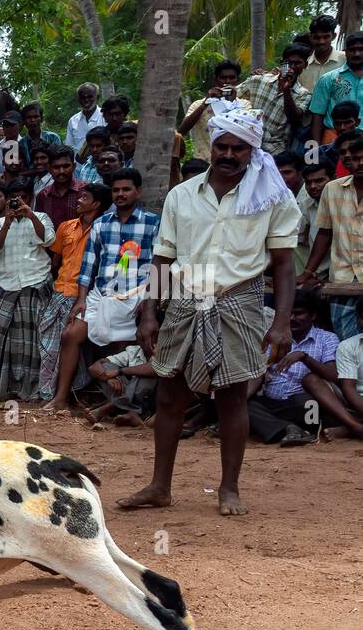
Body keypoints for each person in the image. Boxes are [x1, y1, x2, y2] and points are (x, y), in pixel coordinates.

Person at [119, 108, 300, 519]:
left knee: (233, 397)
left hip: (241, 300)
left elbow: (285, 265)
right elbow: (162, 258)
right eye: (222, 146)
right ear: (211, 146)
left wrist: (282, 320)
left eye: (239, 147)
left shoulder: (271, 197)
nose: (229, 154)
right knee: (169, 395)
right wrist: (149, 312)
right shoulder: (181, 195)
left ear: (252, 151)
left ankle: (229, 488)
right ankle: (159, 486)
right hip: (184, 298)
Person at [247, 290, 361, 443]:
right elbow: (259, 374)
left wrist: (305, 358)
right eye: (288, 314)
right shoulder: (273, 338)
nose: (292, 318)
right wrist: (243, 397)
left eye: (299, 313)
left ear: (313, 315)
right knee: (247, 406)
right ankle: (289, 428)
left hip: (304, 402)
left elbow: (334, 375)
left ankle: (291, 429)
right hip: (273, 402)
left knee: (308, 405)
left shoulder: (326, 338)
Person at [44, 182, 114, 412]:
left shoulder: (105, 229)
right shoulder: (66, 227)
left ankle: (70, 395)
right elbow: (56, 261)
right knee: (53, 345)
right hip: (62, 291)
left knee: (75, 342)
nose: (79, 201)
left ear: (97, 204)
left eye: (85, 197)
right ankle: (54, 394)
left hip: (90, 295)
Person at [0, 178, 55, 402]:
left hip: (35, 284)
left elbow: (49, 240)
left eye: (23, 198)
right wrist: (7, 223)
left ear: (30, 198)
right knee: (8, 341)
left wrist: (30, 215)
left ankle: (36, 388)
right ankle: (10, 388)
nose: (19, 202)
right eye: (14, 199)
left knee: (36, 340)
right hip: (8, 287)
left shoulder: (41, 218)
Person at [299, 135, 363, 339]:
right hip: (342, 278)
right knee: (345, 343)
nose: (360, 163)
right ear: (347, 161)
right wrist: (308, 272)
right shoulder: (332, 189)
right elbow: (325, 233)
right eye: (355, 158)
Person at [236, 43, 313, 155]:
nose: (292, 67)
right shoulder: (258, 80)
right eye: (288, 63)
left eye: (297, 63)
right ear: (282, 63)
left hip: (274, 151)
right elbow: (233, 97)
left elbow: (294, 118)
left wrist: (286, 89)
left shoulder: (304, 94)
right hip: (247, 143)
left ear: (305, 65)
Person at [308, 31, 363, 146]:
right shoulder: (328, 79)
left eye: (361, 49)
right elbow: (317, 116)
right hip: (334, 139)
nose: (357, 53)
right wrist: (316, 150)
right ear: (345, 52)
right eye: (352, 50)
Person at [85, 345, 157, 427]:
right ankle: (130, 412)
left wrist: (120, 371)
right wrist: (108, 378)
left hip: (151, 402)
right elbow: (93, 368)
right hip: (134, 397)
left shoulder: (166, 351)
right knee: (106, 367)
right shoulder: (135, 351)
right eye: (142, 339)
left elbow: (155, 368)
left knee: (143, 373)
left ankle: (111, 406)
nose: (149, 343)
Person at [33, 146, 85, 228]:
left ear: (74, 166)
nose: (61, 171)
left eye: (66, 166)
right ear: (49, 169)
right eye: (56, 167)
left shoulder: (86, 191)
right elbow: (39, 226)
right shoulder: (43, 196)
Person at [302, 14, 346, 94]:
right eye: (317, 37)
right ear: (310, 37)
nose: (321, 42)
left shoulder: (346, 60)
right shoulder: (302, 64)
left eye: (326, 37)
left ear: (334, 36)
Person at [65, 82, 104, 151]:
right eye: (83, 97)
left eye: (90, 97)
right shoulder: (73, 121)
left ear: (97, 97)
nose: (86, 100)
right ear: (78, 99)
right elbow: (69, 147)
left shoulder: (105, 117)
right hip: (78, 161)